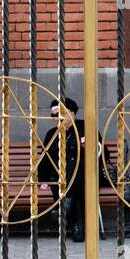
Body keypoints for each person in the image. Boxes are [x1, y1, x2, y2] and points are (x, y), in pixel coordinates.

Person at [40, 95, 90, 243]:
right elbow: (45, 158)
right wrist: (42, 180)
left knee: (75, 162)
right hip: (59, 178)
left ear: (72, 114)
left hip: (86, 176)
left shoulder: (85, 127)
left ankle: (66, 204)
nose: (56, 118)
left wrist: (87, 146)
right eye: (53, 115)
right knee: (68, 181)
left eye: (60, 114)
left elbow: (101, 153)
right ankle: (77, 226)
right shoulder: (51, 134)